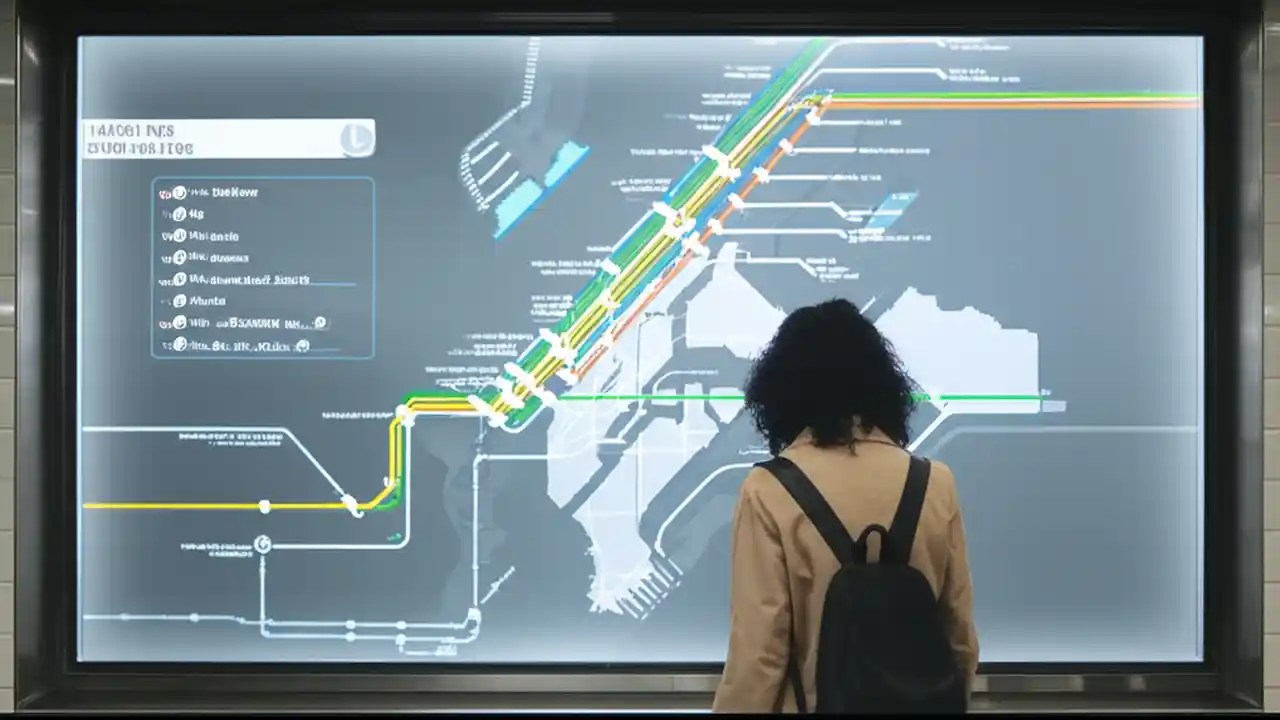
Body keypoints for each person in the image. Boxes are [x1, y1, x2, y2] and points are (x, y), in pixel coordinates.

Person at [712, 298, 979, 714]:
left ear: (783, 389)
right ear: (882, 383)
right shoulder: (934, 483)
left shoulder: (767, 490)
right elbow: (959, 639)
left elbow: (758, 659)